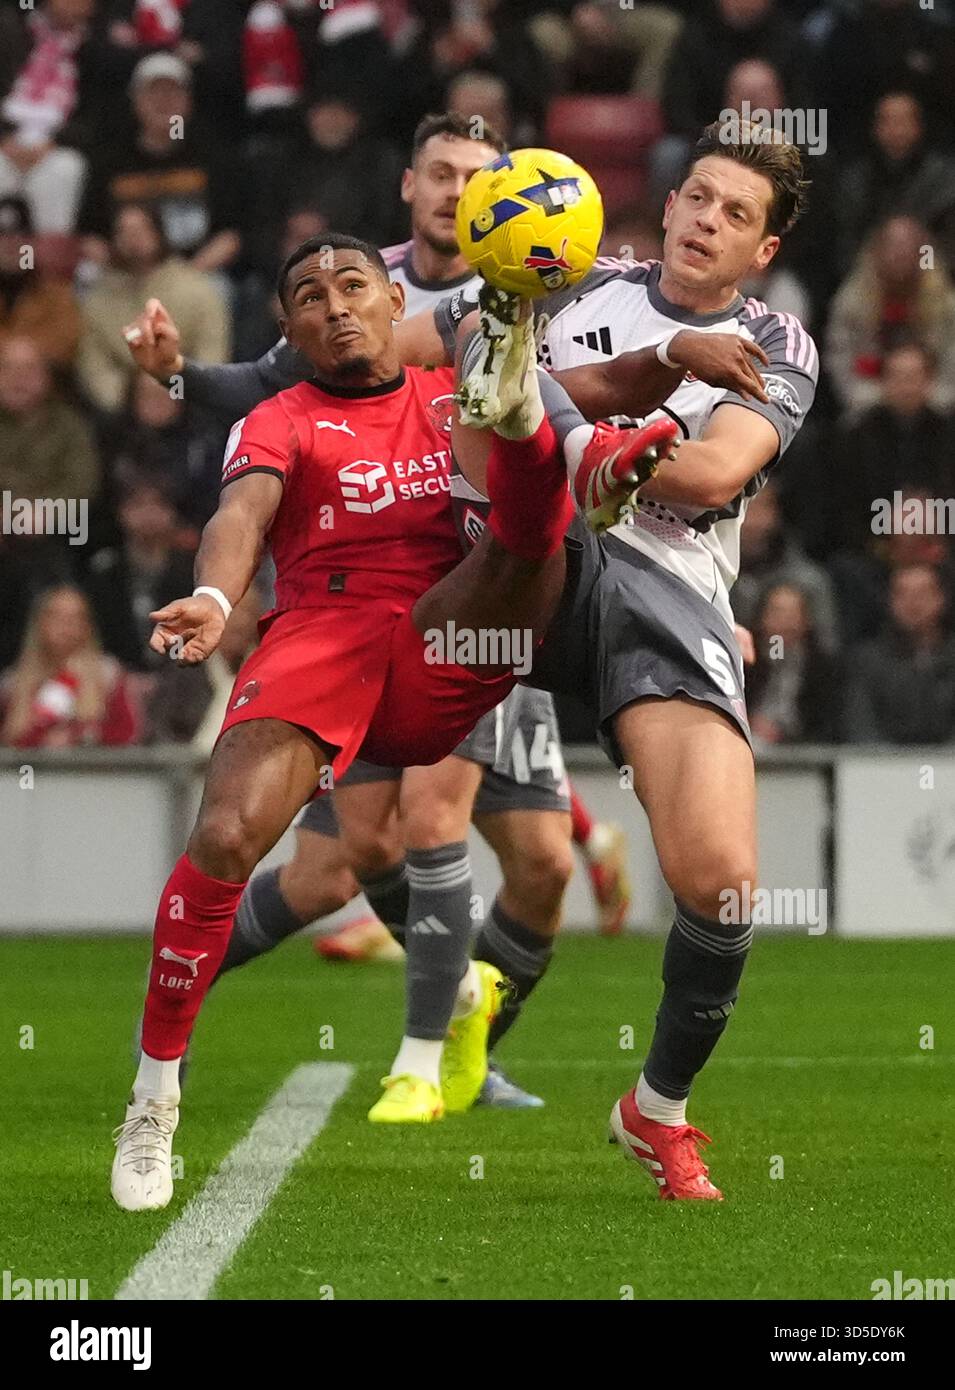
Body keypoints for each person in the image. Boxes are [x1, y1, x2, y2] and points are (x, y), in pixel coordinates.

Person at [127, 121, 807, 1198]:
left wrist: (623, 437)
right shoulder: (553, 268)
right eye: (697, 198)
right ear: (666, 204)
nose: (707, 222)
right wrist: (192, 384)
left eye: (736, 215)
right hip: (487, 563)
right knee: (488, 378)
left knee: (720, 888)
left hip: (659, 596)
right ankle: (412, 1046)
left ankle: (653, 1111)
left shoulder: (778, 341)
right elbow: (369, 364)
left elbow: (715, 474)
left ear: (761, 251)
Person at [77, 202, 229, 416]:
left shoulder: (197, 289)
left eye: (141, 229)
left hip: (189, 404)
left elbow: (212, 354)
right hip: (124, 413)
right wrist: (127, 399)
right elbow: (94, 364)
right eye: (124, 231)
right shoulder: (98, 300)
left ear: (159, 232)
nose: (133, 238)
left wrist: (181, 394)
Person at [0, 584, 138, 748]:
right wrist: (42, 739)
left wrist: (79, 736)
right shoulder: (13, 683)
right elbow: (11, 739)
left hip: (92, 770)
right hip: (30, 772)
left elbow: (127, 733)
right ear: (40, 623)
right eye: (57, 617)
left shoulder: (108, 674)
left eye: (76, 618)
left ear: (87, 626)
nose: (67, 626)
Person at [842, 563, 955, 745]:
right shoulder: (867, 660)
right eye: (903, 595)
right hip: (883, 767)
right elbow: (861, 724)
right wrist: (893, 766)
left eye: (922, 594)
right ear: (891, 602)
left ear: (940, 599)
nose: (913, 603)